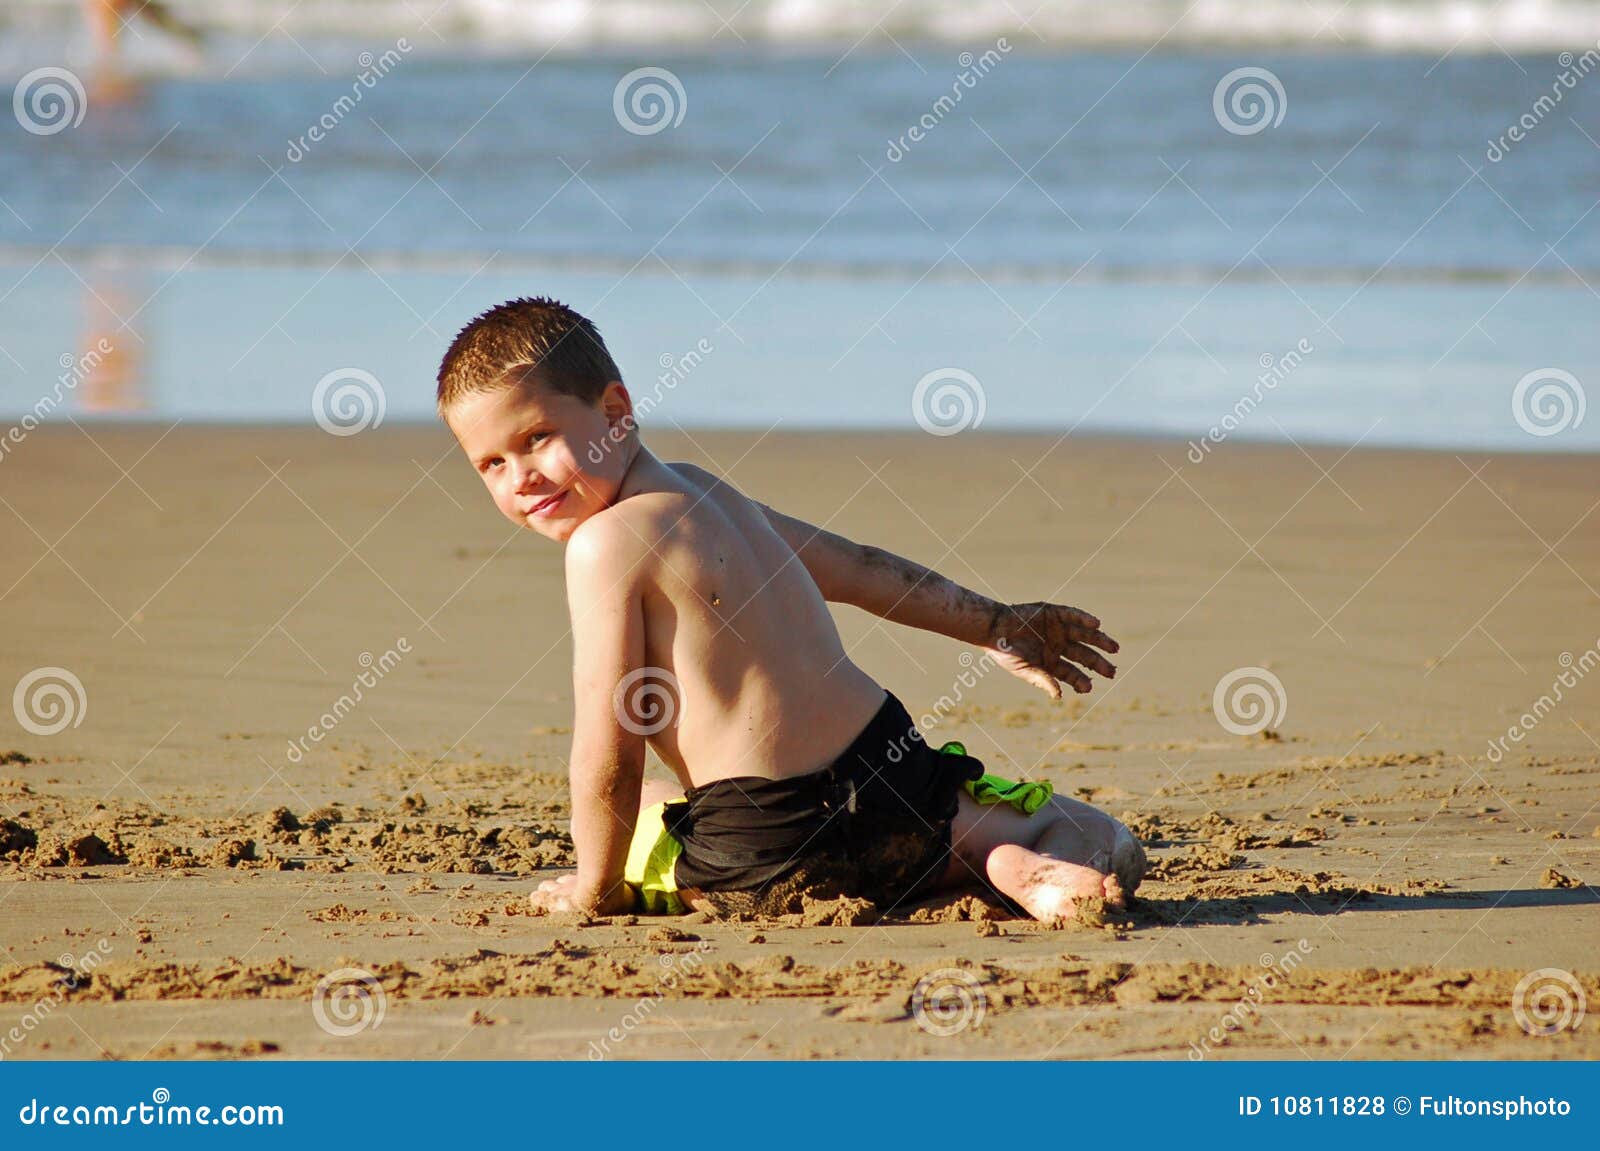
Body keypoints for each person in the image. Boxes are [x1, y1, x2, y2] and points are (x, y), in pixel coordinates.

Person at [436, 297, 1146, 920]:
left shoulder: (600, 545)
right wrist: (995, 623)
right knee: (1095, 832)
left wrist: (595, 889)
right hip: (898, 792)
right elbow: (862, 569)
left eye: (536, 439)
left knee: (652, 802)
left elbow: (609, 748)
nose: (521, 477)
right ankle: (1008, 866)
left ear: (616, 413)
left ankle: (972, 864)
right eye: (491, 464)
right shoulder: (711, 494)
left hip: (763, 846)